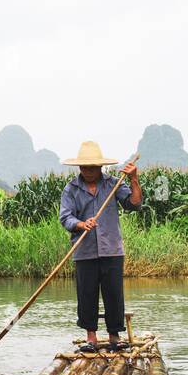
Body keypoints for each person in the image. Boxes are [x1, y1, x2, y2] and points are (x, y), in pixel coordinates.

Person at [58, 141, 141, 352]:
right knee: (87, 295)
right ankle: (91, 338)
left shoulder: (113, 183)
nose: (88, 171)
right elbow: (65, 217)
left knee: (114, 294)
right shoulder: (71, 189)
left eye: (92, 168)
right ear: (79, 168)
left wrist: (133, 179)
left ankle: (115, 336)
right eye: (84, 168)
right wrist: (81, 224)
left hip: (111, 248)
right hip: (84, 250)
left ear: (100, 167)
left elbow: (134, 204)